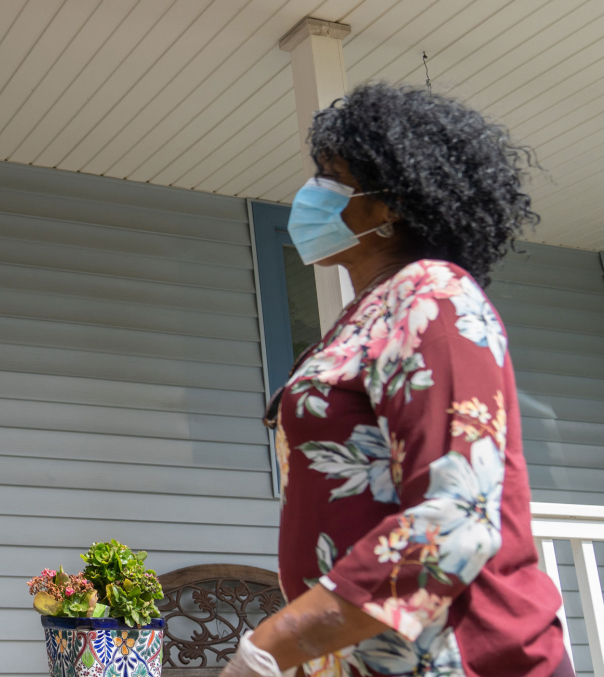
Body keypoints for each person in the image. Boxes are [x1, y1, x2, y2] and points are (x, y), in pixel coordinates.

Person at [222, 83, 570, 677]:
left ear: (392, 204)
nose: (310, 195)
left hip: (468, 658)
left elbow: (455, 519)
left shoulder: (434, 297)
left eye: (331, 177)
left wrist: (268, 648)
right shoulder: (364, 318)